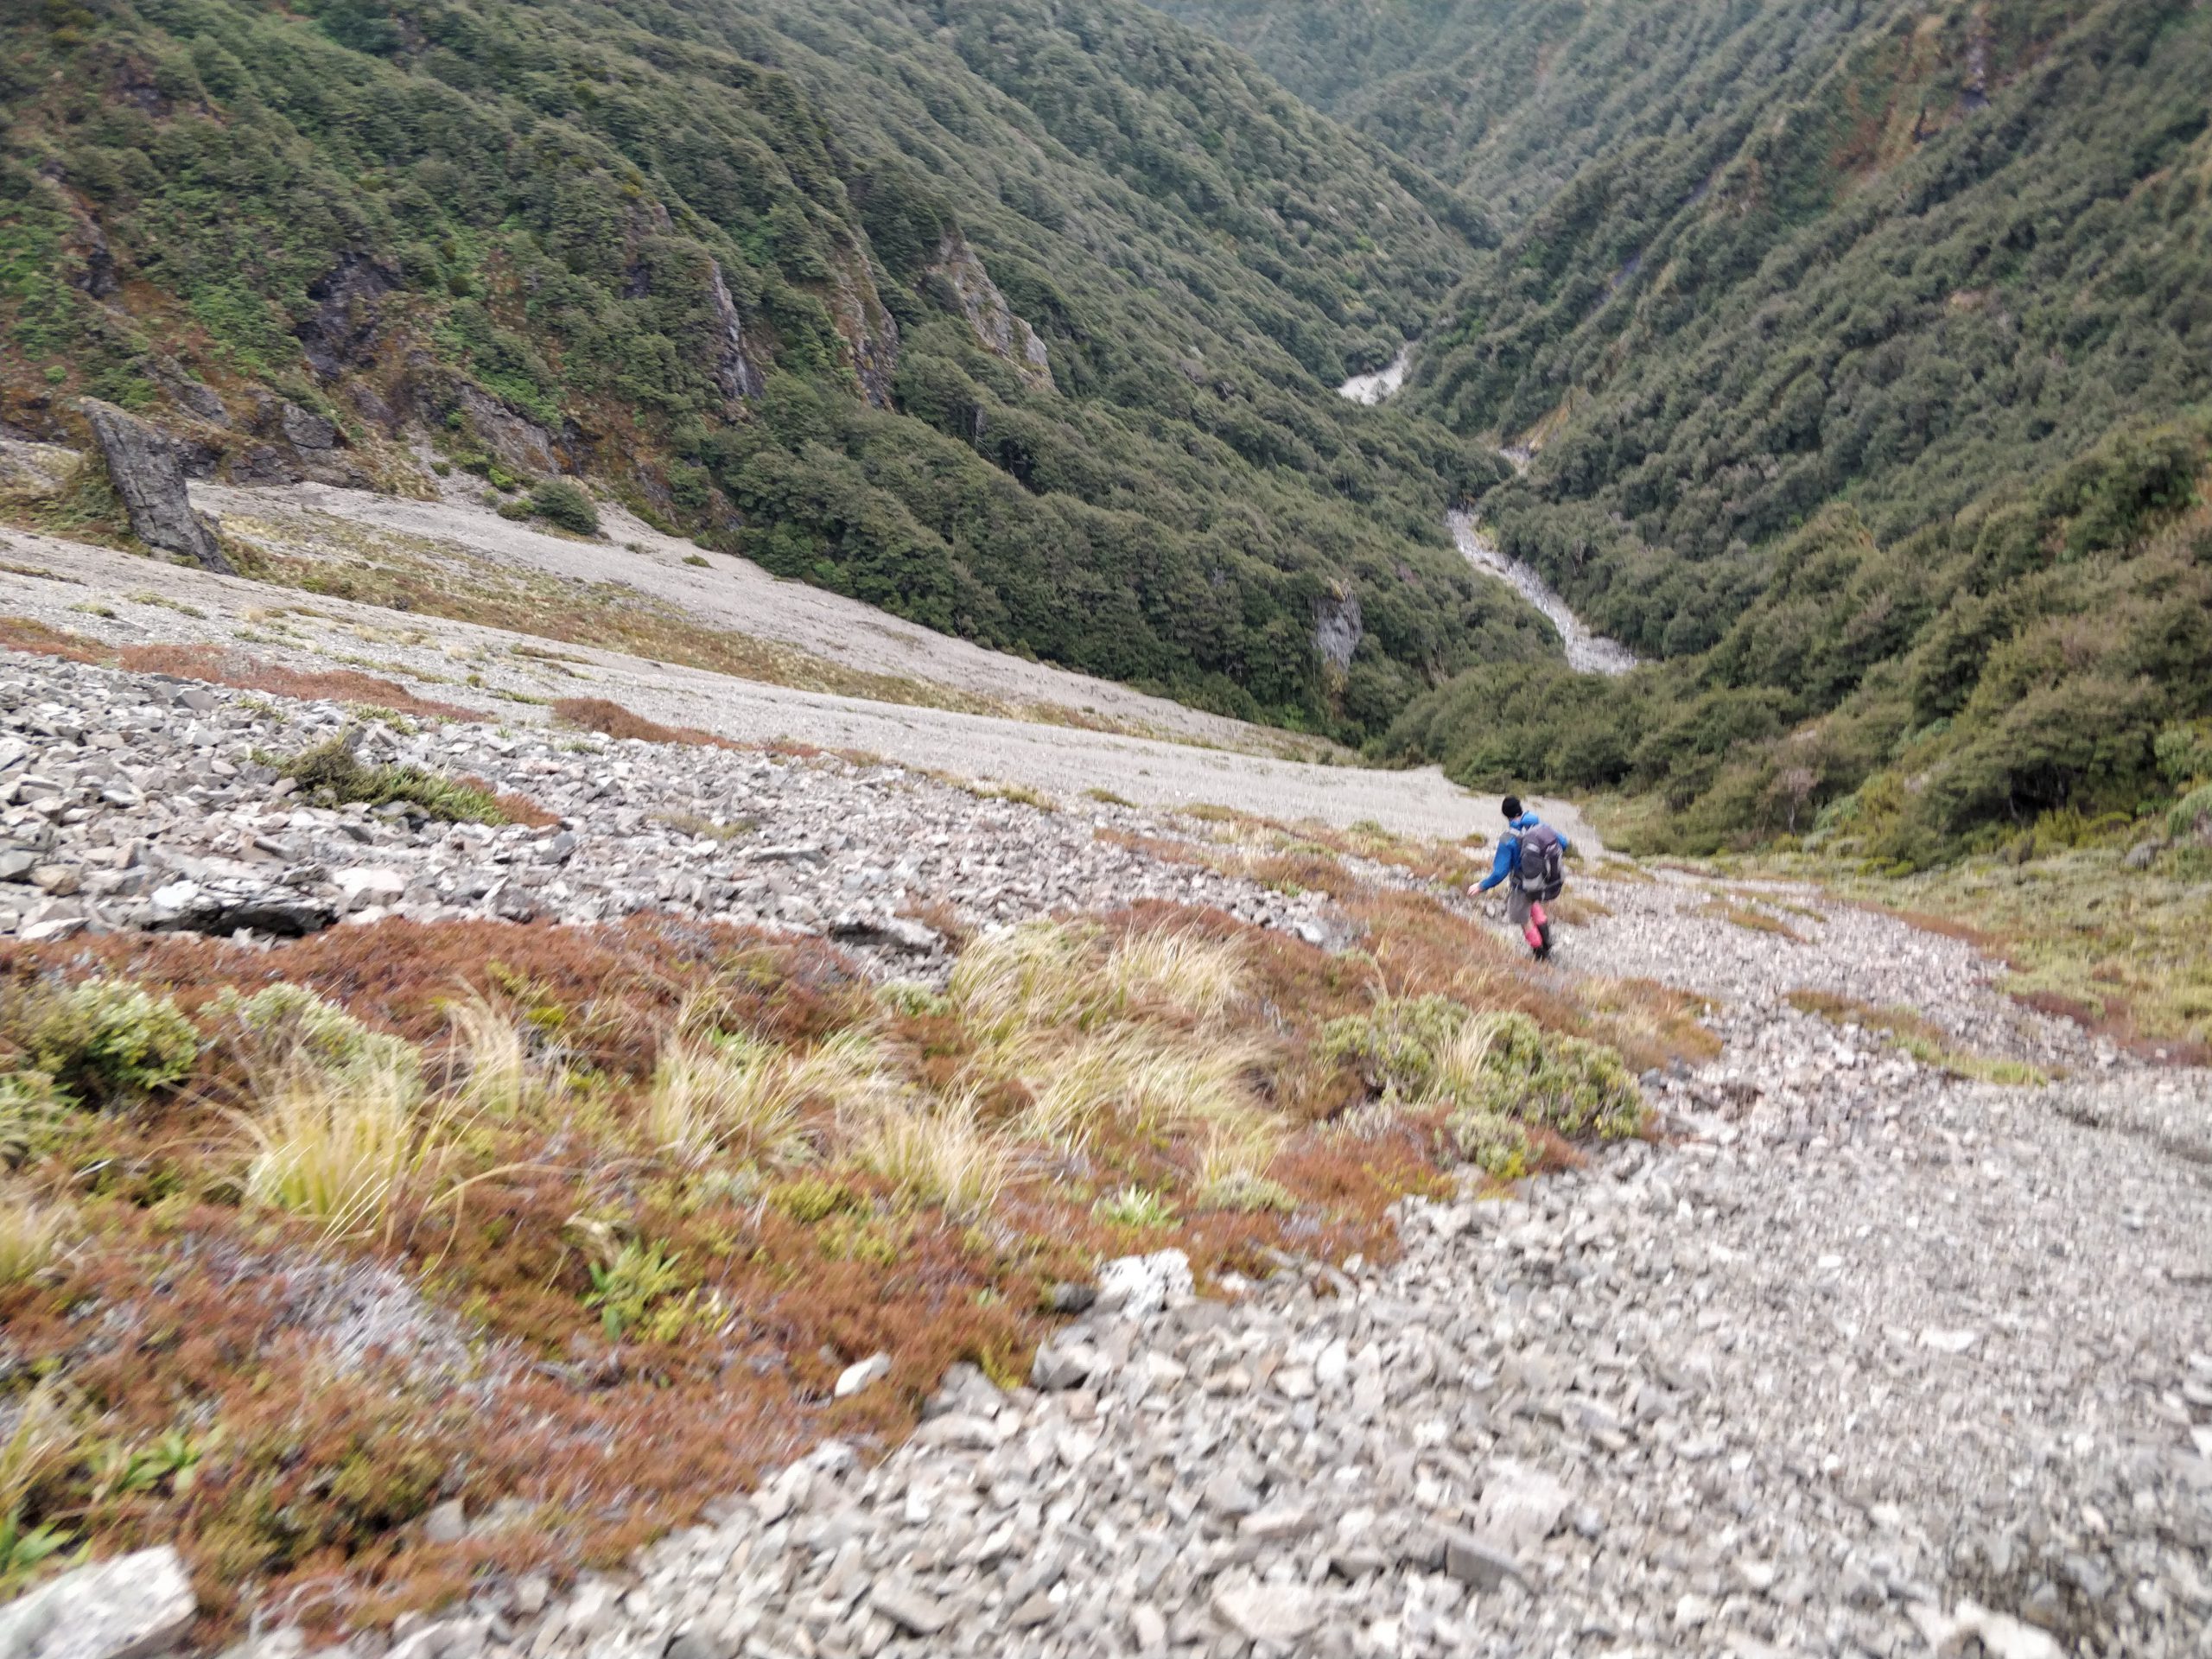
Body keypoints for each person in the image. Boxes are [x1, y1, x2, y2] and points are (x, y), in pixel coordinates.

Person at [1472, 795, 1568, 959]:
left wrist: (1481, 886)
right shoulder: (1539, 826)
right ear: (1520, 809)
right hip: (1542, 879)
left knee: (1522, 918)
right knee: (1532, 904)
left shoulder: (1508, 839)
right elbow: (1564, 843)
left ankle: (1541, 954)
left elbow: (1499, 873)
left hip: (1522, 885)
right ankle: (1547, 941)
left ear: (1505, 814)